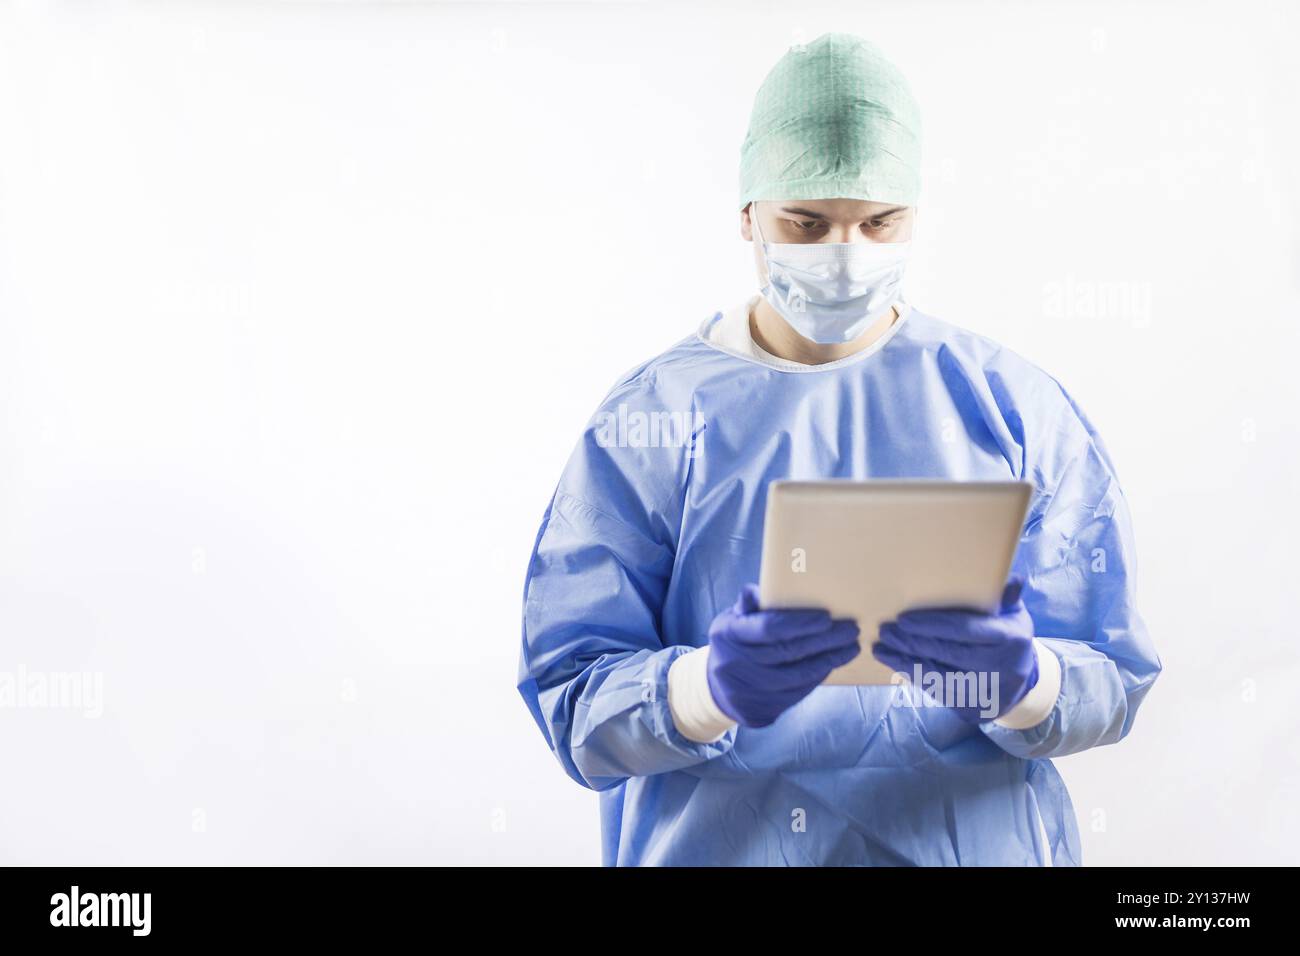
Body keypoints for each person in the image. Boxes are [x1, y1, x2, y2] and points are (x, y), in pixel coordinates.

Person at [517, 33, 1161, 866]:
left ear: (915, 218)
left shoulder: (1008, 406)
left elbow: (1112, 673)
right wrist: (702, 692)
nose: (846, 253)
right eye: (807, 221)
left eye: (878, 220)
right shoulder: (653, 421)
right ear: (747, 215)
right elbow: (573, 701)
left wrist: (1026, 682)